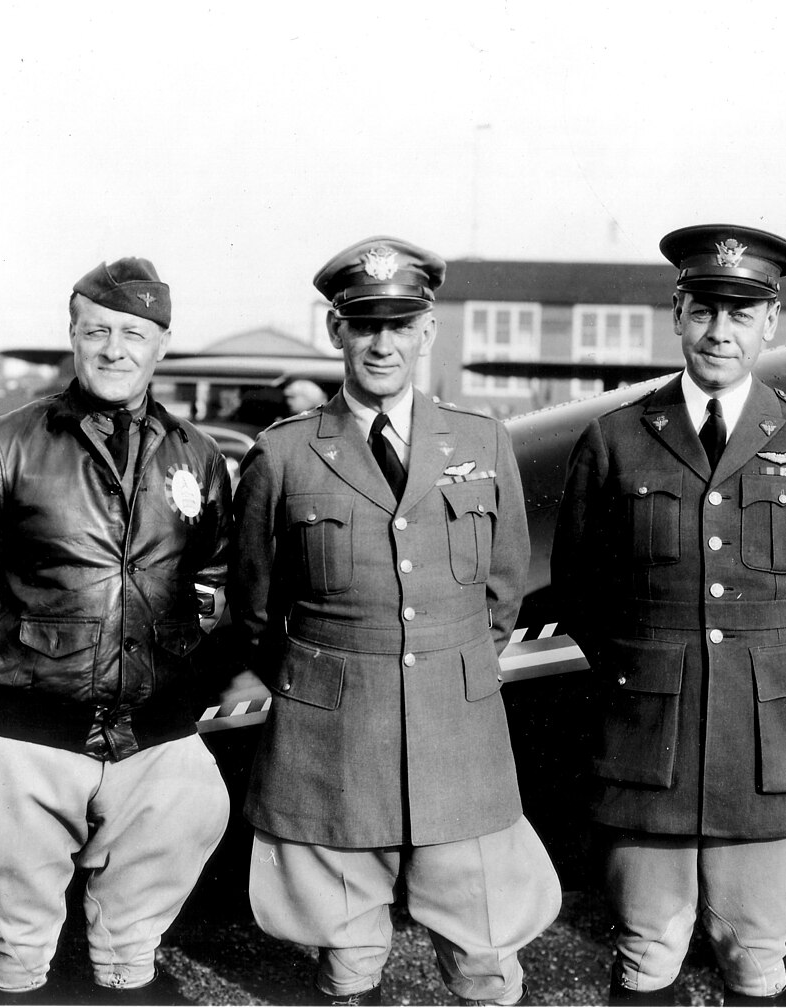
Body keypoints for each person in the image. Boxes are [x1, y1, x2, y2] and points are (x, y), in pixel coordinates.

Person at [226, 236, 561, 1006]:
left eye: (399, 323)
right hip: (332, 743)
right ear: (335, 331)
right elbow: (255, 605)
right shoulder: (283, 455)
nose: (382, 342)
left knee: (485, 957)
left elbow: (502, 590)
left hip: (459, 739)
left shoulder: (481, 442)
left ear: (426, 331)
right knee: (347, 964)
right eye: (363, 323)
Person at [0, 258, 232, 1004]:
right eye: (98, 330)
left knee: (132, 948)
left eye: (134, 334)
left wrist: (174, 667)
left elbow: (215, 581)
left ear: (162, 346)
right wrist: (20, 665)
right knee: (16, 951)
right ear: (73, 336)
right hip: (25, 739)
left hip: (157, 740)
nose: (115, 349)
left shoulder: (199, 456)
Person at [553, 225, 786, 1006]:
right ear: (677, 314)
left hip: (769, 749)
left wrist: (779, 681)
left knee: (756, 953)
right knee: (646, 949)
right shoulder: (617, 439)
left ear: (772, 321)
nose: (719, 332)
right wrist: (644, 675)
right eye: (703, 310)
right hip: (648, 740)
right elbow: (579, 587)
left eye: (741, 312)